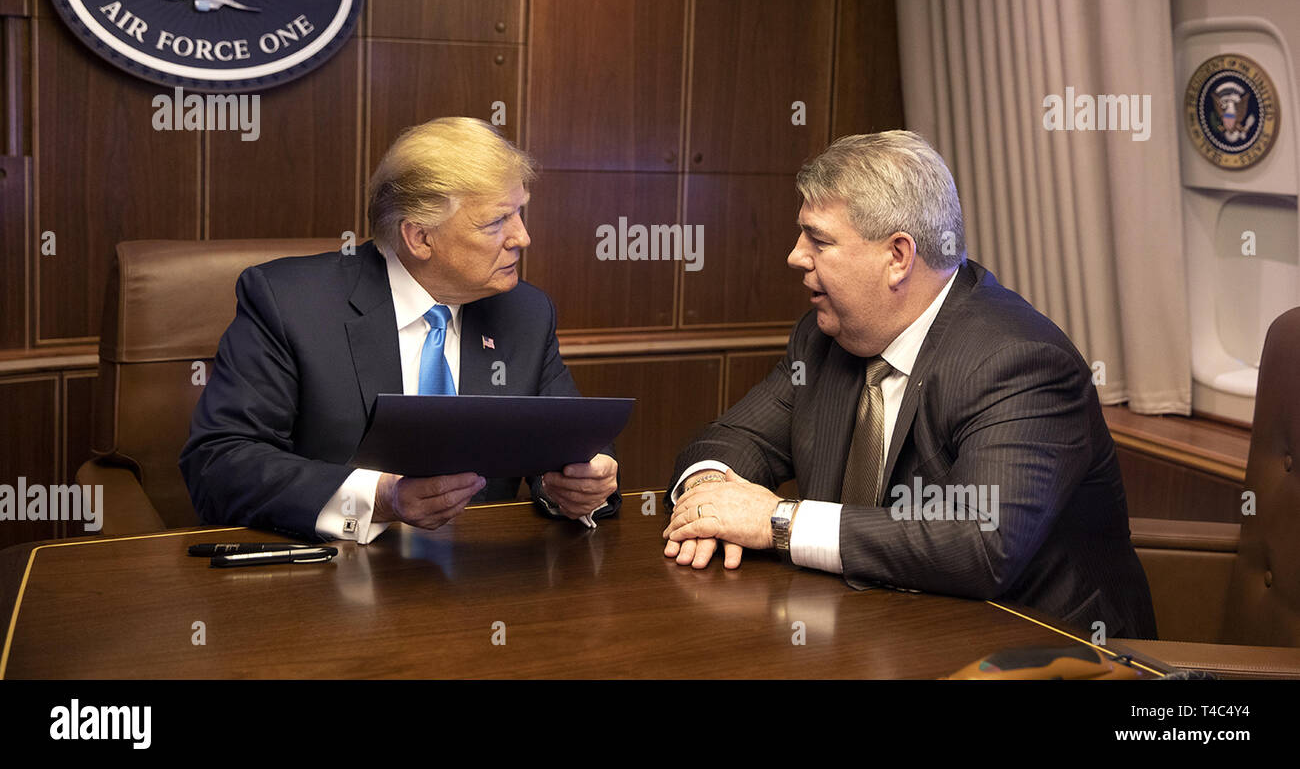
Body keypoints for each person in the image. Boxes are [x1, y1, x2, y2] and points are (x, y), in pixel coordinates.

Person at [663, 130, 1156, 639]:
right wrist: (709, 496)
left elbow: (981, 545)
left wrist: (778, 521)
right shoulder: (825, 337)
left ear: (898, 256)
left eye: (820, 240)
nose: (795, 256)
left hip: (1040, 651)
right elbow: (734, 438)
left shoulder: (1018, 360)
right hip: (876, 637)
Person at [181, 117, 619, 542]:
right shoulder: (288, 303)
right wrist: (381, 499)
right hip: (328, 581)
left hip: (484, 580)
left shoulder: (524, 312)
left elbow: (574, 444)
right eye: (496, 222)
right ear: (419, 238)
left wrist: (578, 487)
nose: (522, 237)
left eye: (520, 213)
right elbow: (220, 464)